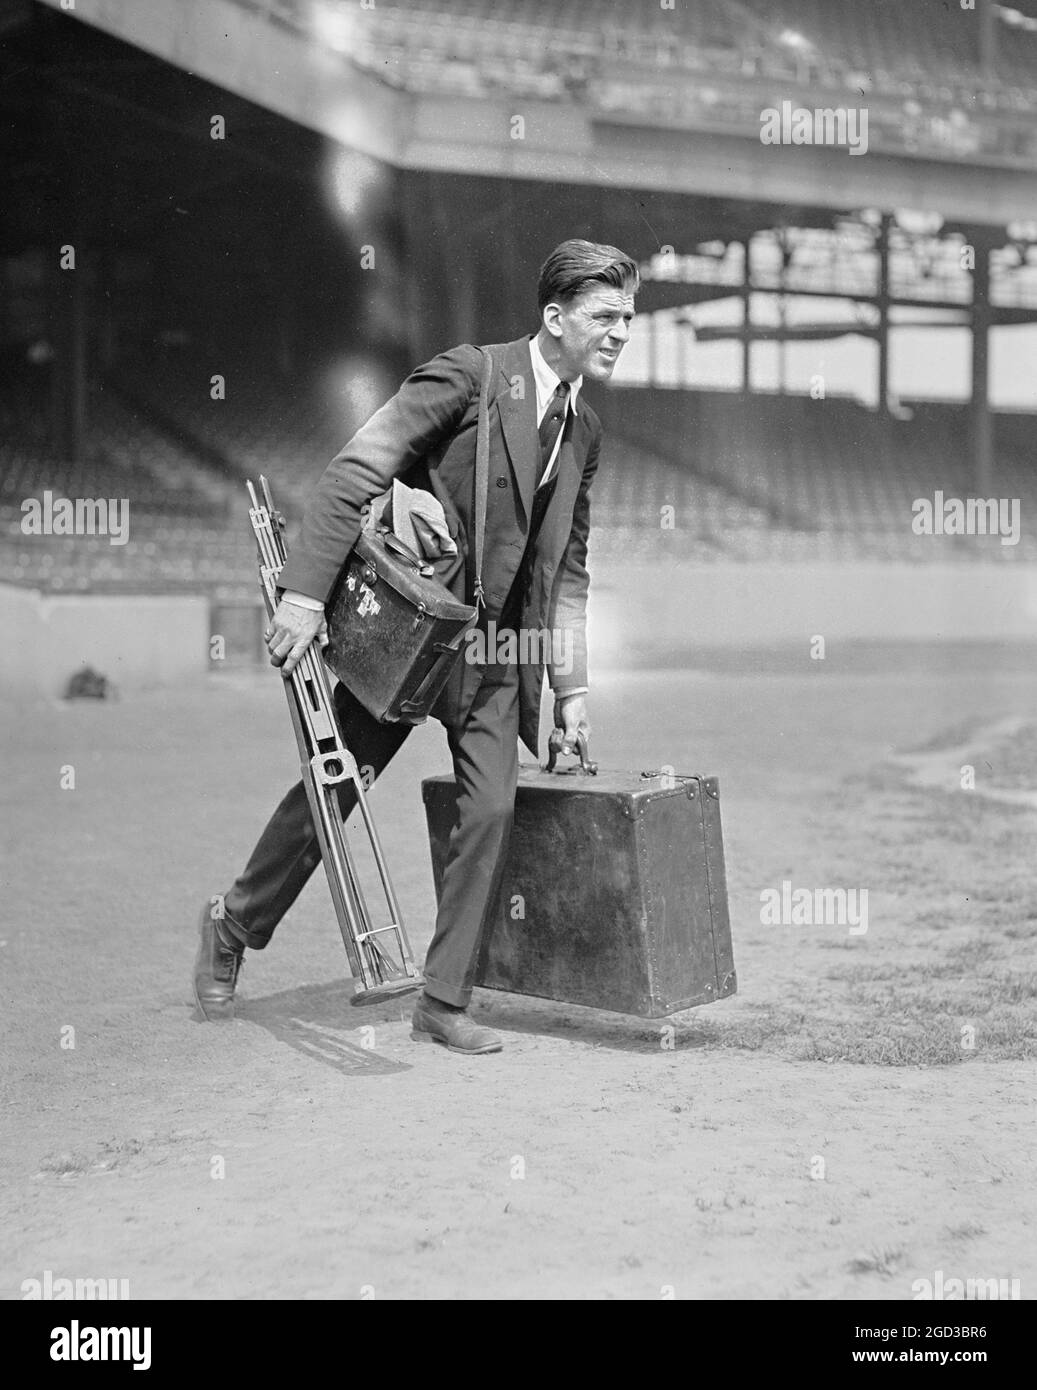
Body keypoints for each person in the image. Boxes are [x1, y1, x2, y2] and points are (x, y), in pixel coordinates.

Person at [193, 238, 639, 1053]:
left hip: (499, 657)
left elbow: (568, 571)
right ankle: (232, 923)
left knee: (493, 809)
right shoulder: (470, 375)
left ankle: (442, 1000)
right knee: (333, 791)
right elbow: (354, 470)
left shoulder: (586, 432)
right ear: (554, 316)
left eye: (627, 319)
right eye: (605, 315)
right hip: (412, 639)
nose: (619, 331)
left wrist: (571, 692)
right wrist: (301, 595)